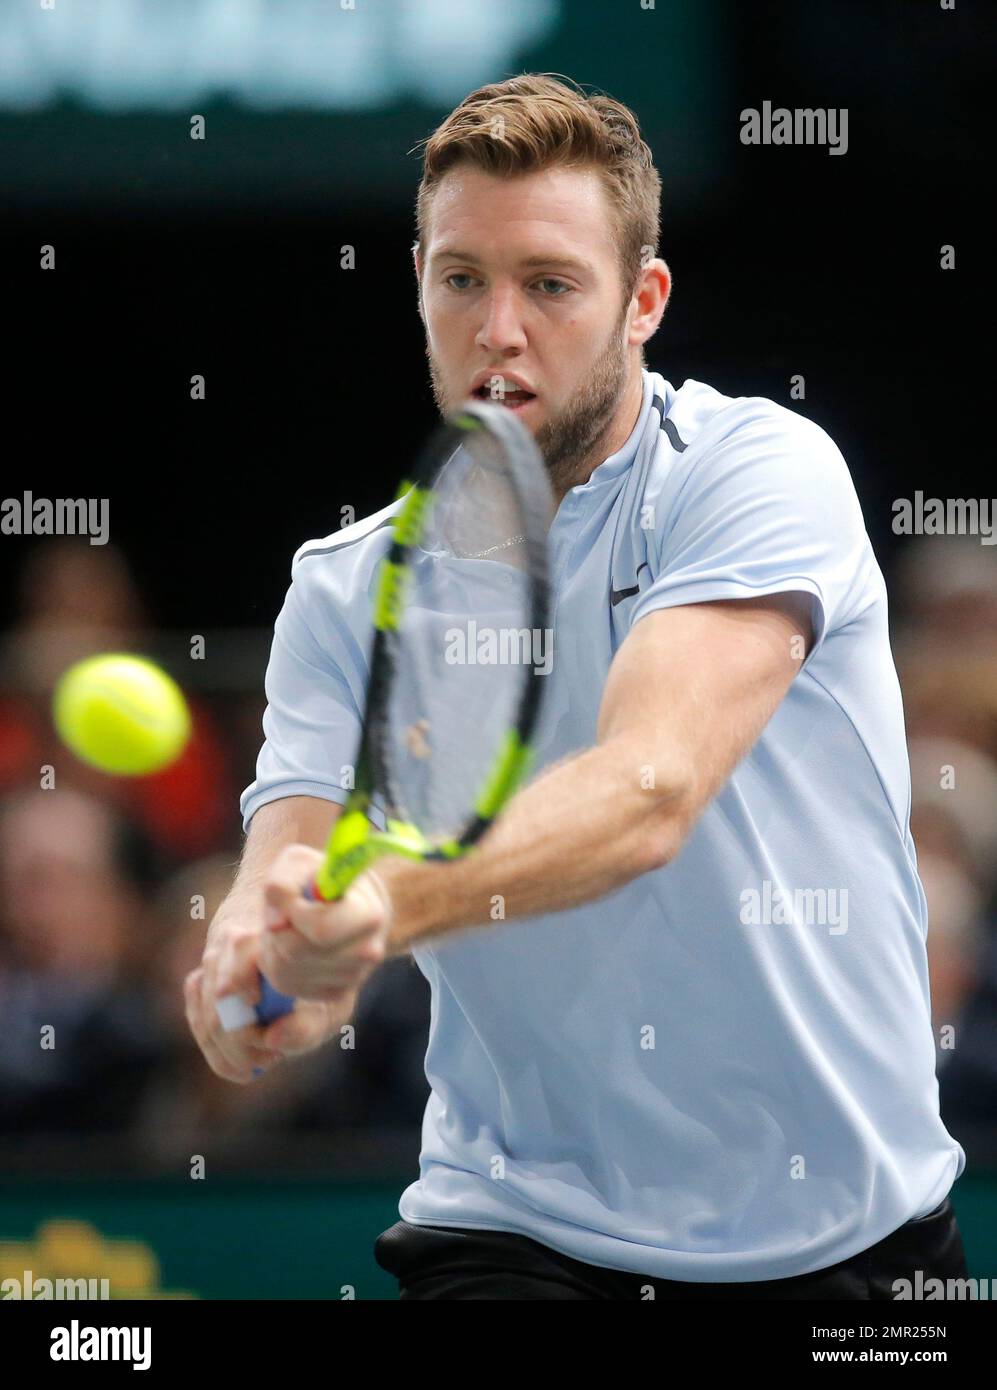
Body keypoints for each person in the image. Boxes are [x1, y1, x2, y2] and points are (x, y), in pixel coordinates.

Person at [185, 74, 968, 1299]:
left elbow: (648, 792)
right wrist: (260, 965)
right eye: (461, 279)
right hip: (514, 1228)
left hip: (849, 1238)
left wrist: (387, 901)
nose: (499, 329)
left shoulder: (756, 471)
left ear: (640, 301)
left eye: (549, 284)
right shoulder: (344, 593)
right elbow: (280, 864)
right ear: (420, 287)